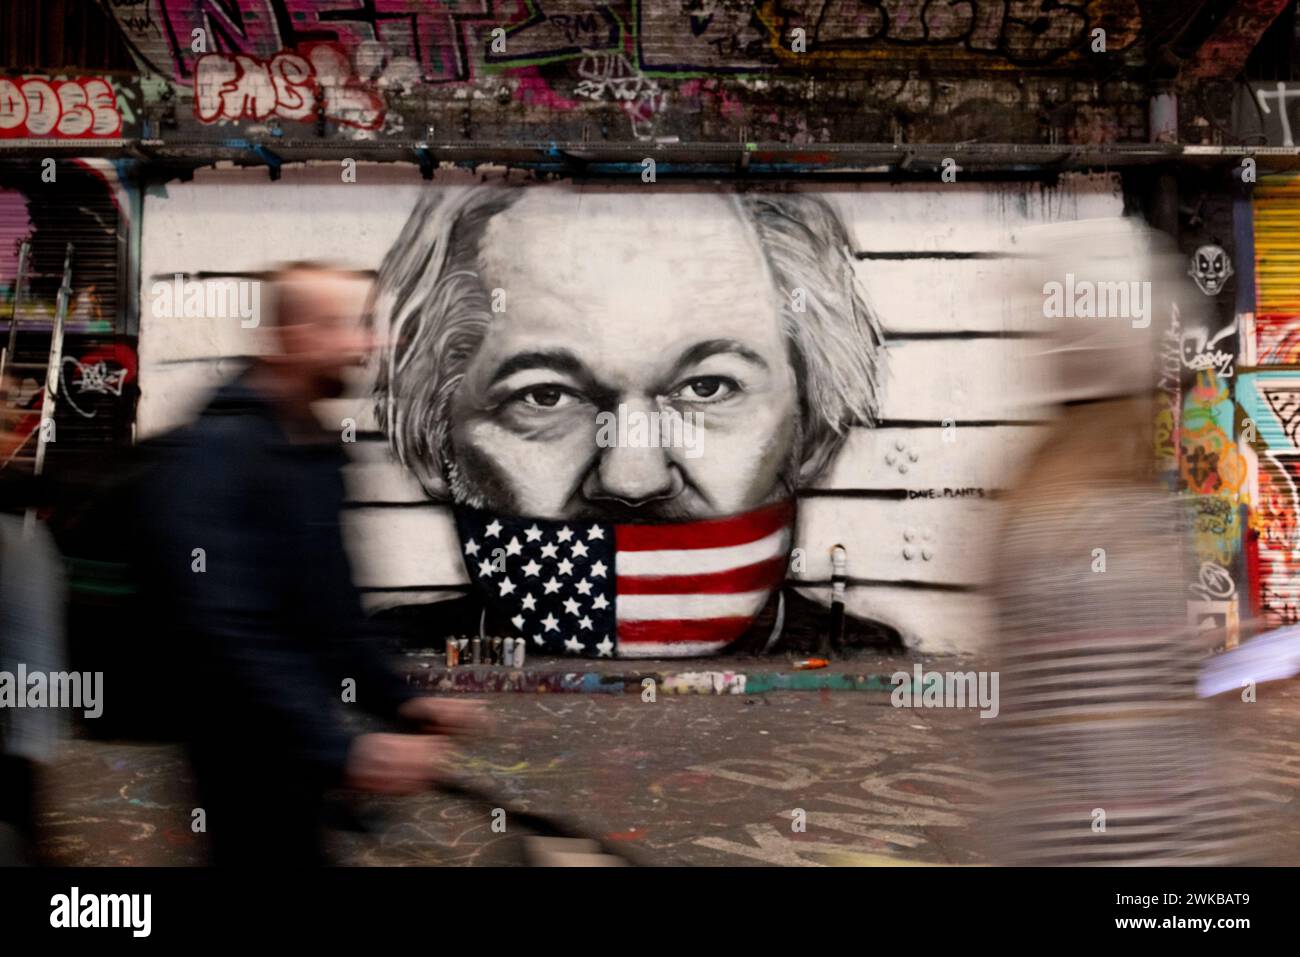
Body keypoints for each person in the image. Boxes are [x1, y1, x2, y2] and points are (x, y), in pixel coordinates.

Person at [368, 185, 901, 657]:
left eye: (707, 388)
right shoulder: (385, 664)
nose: (632, 477)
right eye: (546, 395)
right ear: (428, 441)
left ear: (815, 436)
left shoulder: (870, 662)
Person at [147, 262, 485, 865]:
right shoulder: (219, 452)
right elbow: (225, 632)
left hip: (299, 756)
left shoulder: (314, 450)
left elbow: (334, 619)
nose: (368, 343)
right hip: (240, 762)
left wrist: (400, 701)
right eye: (348, 326)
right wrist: (342, 749)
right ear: (296, 335)